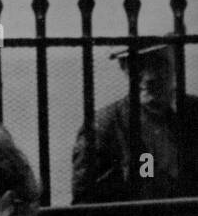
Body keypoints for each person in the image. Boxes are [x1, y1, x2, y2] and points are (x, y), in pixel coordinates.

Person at [72, 42, 198, 203]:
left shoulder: (193, 113)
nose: (149, 76)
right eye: (138, 65)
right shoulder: (103, 128)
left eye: (158, 63)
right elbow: (86, 207)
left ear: (176, 64)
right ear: (123, 68)